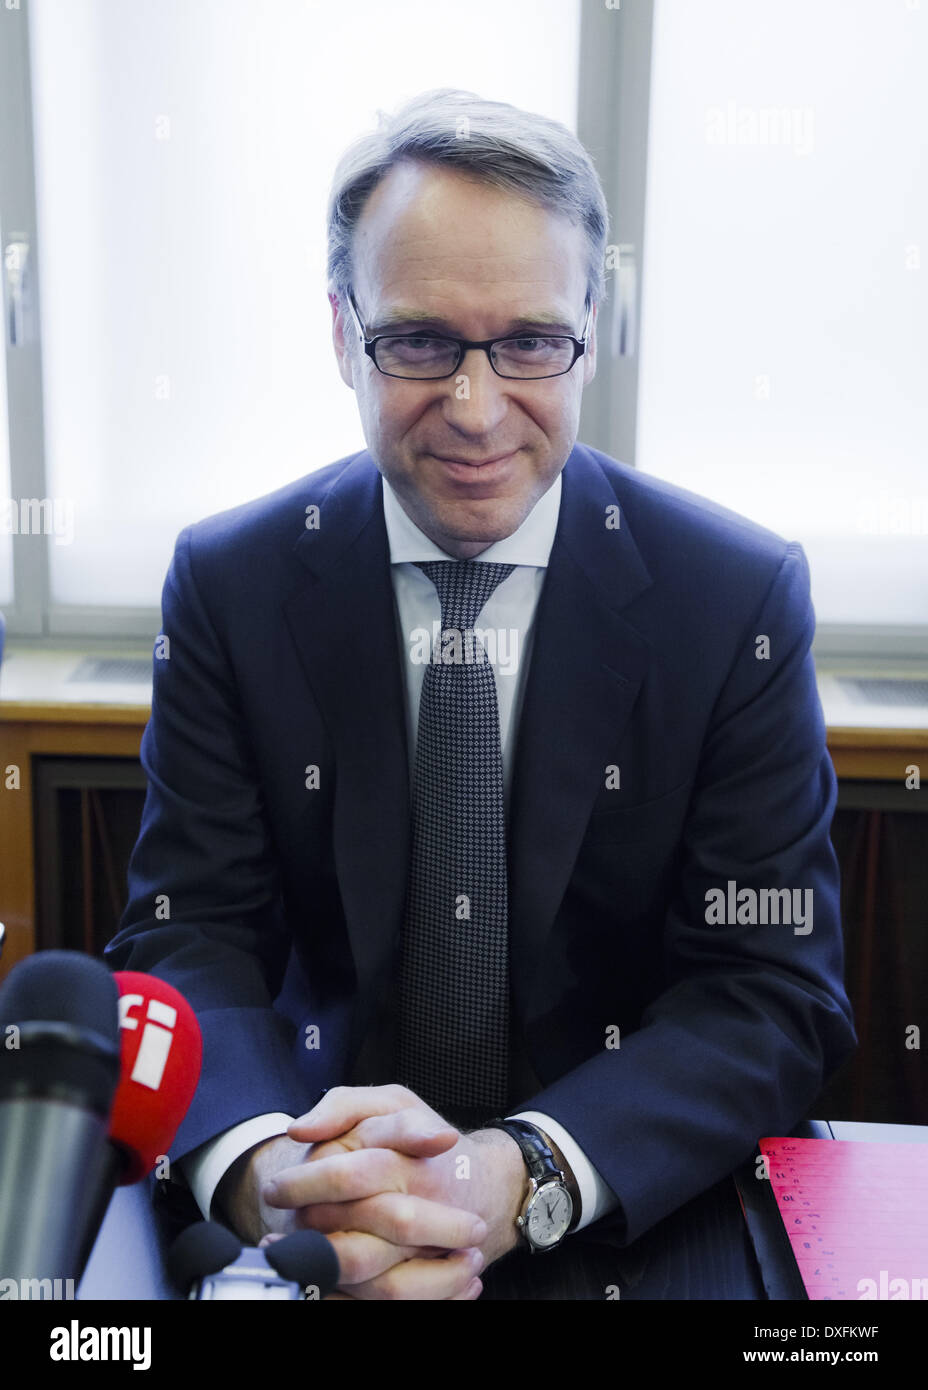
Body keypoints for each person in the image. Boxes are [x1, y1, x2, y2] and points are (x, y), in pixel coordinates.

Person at [105, 88, 856, 1300]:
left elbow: (768, 991)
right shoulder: (231, 582)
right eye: (417, 342)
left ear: (591, 333)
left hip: (620, 1200)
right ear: (343, 335)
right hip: (312, 1180)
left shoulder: (734, 598)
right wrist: (269, 1171)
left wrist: (526, 1170)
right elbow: (190, 935)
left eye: (527, 342)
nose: (473, 405)